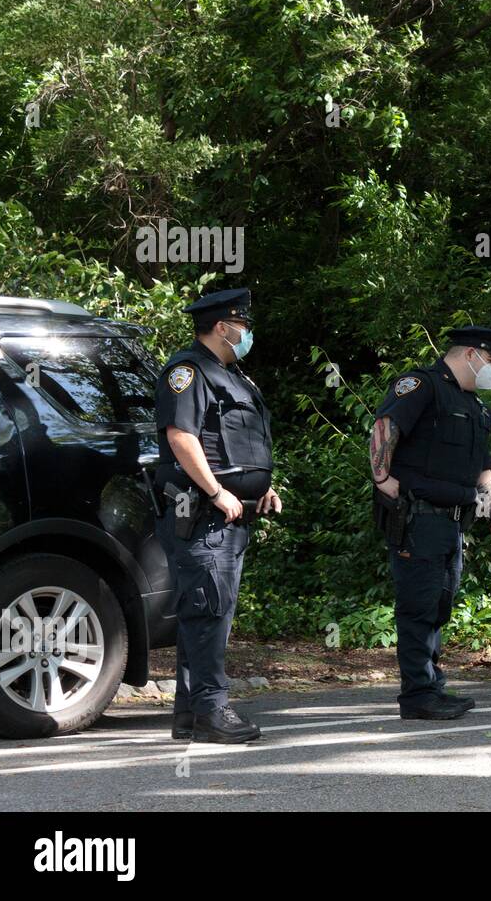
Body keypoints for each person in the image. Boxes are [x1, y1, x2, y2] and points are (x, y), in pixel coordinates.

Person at [370, 326, 491, 721]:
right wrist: (383, 479)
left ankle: (432, 685)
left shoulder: (475, 406)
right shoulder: (422, 385)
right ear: (471, 354)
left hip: (454, 523)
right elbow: (385, 426)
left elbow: (482, 471)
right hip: (419, 517)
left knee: (438, 605)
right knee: (418, 606)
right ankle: (418, 695)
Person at [154, 288, 281, 743]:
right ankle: (212, 713)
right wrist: (216, 490)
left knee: (208, 612)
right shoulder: (188, 372)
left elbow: (239, 445)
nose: (247, 333)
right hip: (202, 513)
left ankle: (191, 715)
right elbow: (180, 437)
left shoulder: (233, 377)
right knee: (208, 612)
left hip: (231, 516)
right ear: (223, 327)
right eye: (242, 325)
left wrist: (262, 489)